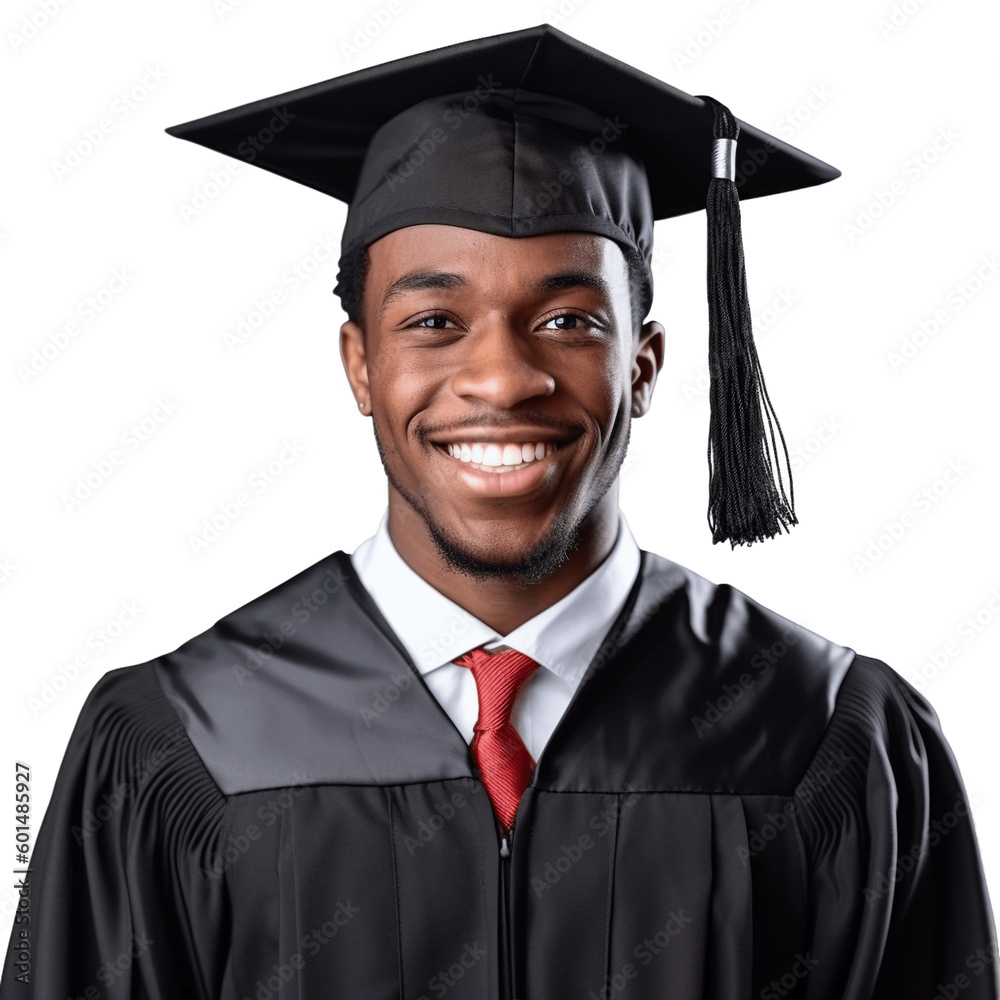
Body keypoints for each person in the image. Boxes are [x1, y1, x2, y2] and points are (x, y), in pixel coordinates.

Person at [2, 23, 995, 1000]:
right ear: (360, 365)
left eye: (569, 321)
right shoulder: (184, 735)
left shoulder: (821, 731)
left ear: (643, 366)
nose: (503, 379)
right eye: (434, 322)